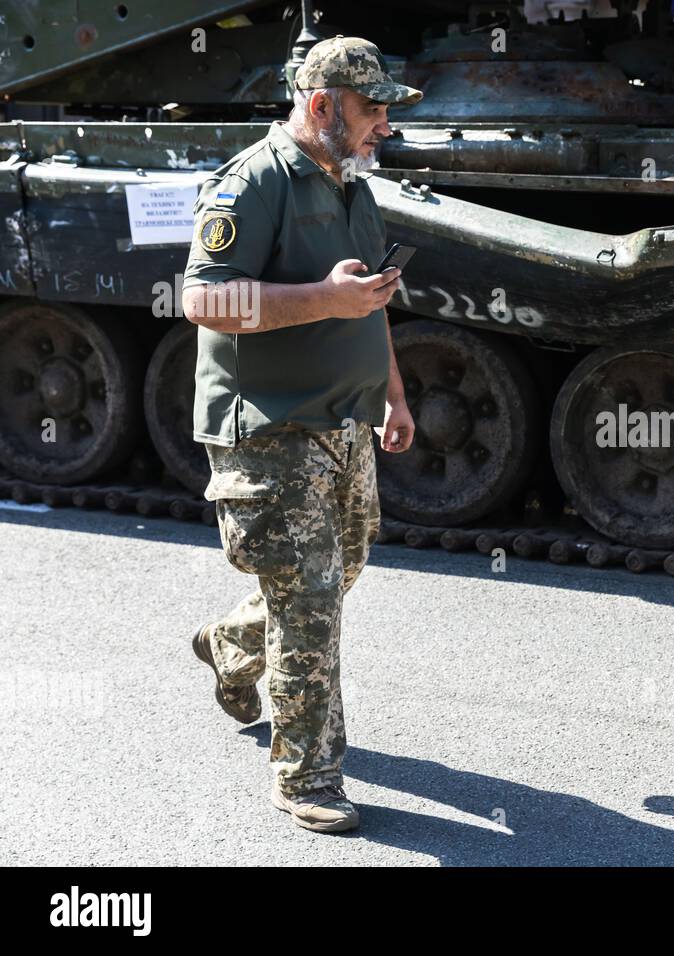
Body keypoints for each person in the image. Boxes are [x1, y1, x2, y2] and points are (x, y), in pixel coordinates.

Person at [181, 36, 422, 834]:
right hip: (267, 429)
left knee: (338, 570)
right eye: (371, 109)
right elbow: (204, 304)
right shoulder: (251, 184)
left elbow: (369, 297)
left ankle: (229, 643)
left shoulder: (350, 180)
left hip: (345, 421)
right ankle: (307, 778)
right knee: (310, 603)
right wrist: (322, 298)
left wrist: (391, 394)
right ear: (322, 105)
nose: (382, 123)